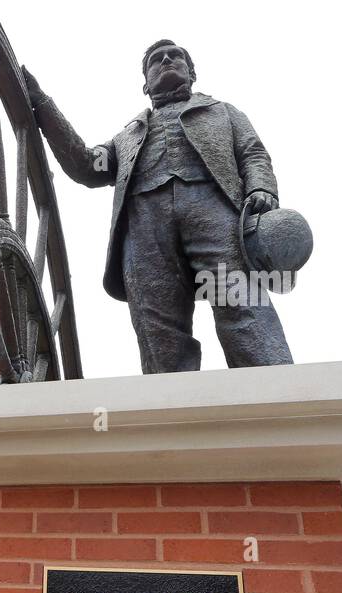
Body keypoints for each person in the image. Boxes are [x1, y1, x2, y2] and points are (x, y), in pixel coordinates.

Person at [22, 40, 294, 373]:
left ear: (192, 73)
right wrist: (43, 106)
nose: (165, 59)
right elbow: (85, 165)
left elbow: (252, 153)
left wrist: (261, 187)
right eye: (155, 60)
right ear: (145, 84)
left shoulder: (223, 112)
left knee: (239, 300)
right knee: (157, 326)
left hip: (213, 210)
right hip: (144, 223)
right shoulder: (127, 138)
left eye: (175, 56)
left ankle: (276, 384)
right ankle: (172, 406)